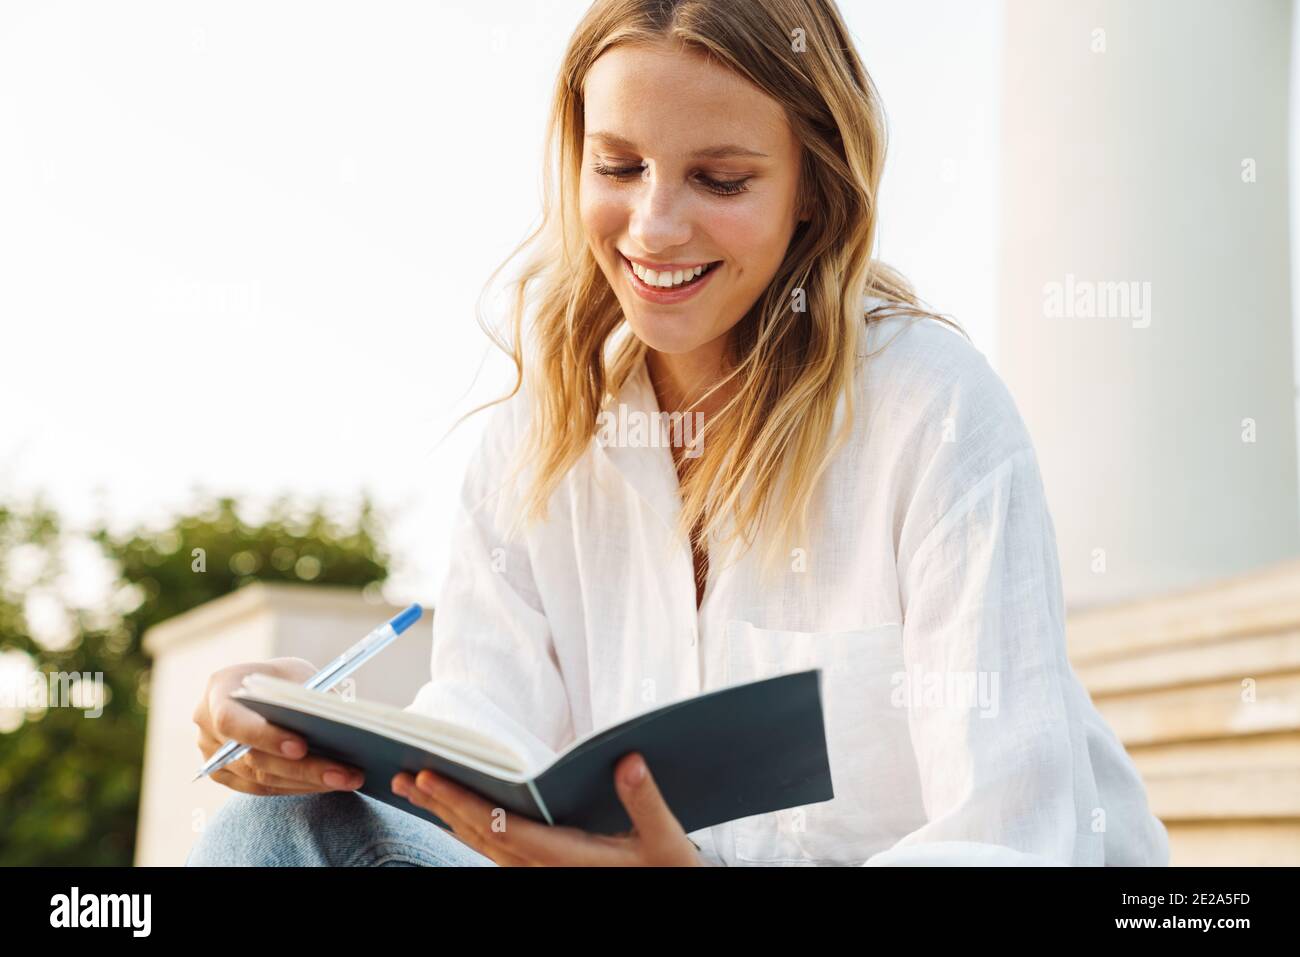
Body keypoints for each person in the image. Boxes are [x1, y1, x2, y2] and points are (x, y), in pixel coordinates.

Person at [187, 0, 1169, 867]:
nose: (653, 228)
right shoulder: (539, 443)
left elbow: (1015, 838)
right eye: (619, 166)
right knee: (264, 838)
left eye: (721, 180)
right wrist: (313, 737)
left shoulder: (932, 411)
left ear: (813, 191)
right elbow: (484, 739)